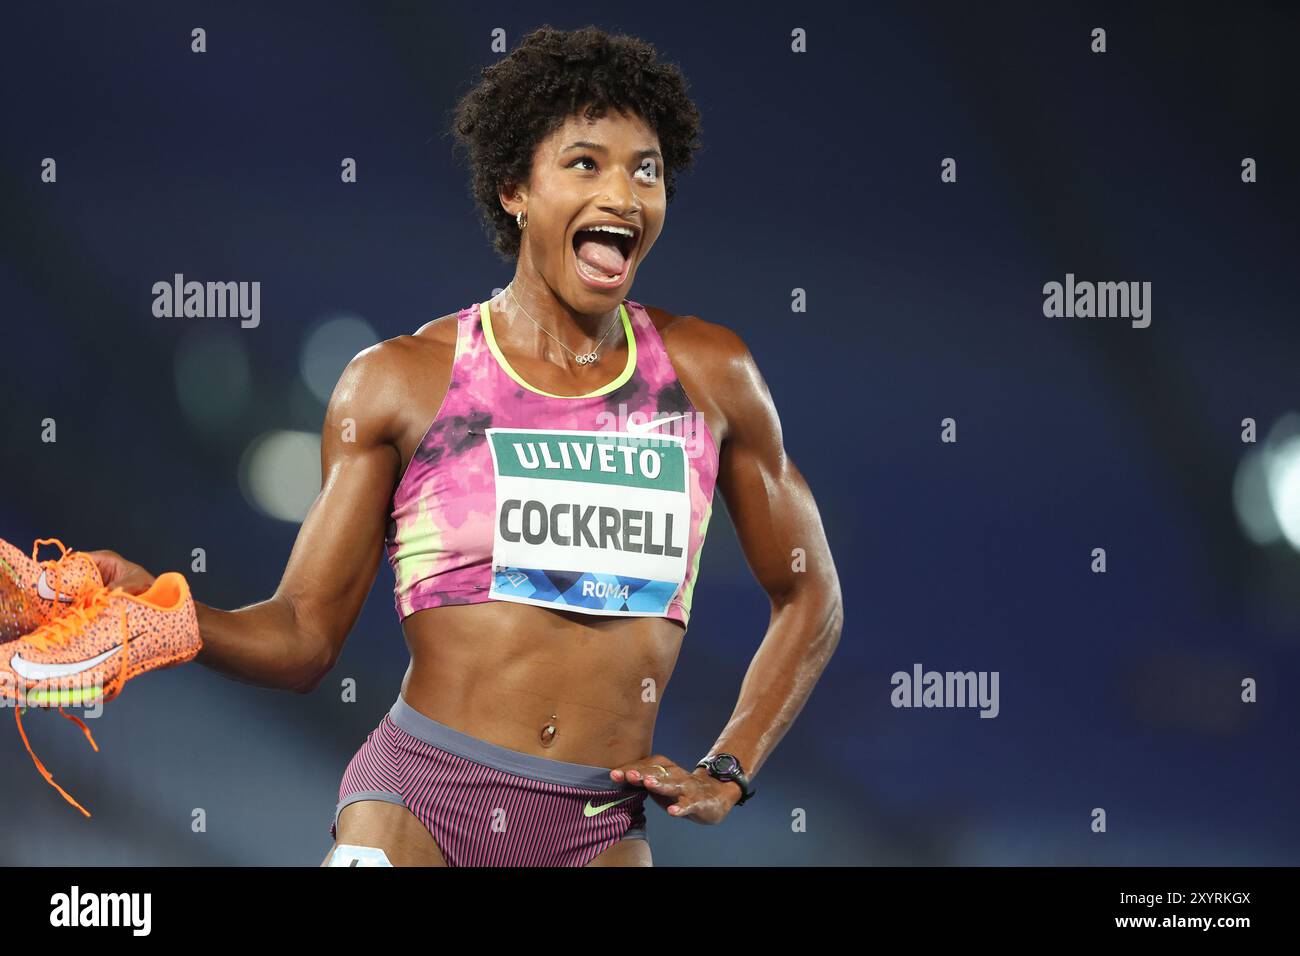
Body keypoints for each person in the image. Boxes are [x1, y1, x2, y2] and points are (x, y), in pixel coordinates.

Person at [90, 24, 843, 867]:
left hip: (598, 826)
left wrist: (729, 768)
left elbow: (810, 594)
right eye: (586, 163)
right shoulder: (403, 382)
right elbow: (302, 635)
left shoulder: (712, 376)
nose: (625, 197)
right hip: (419, 796)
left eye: (647, 170)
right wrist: (157, 621)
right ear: (515, 188)